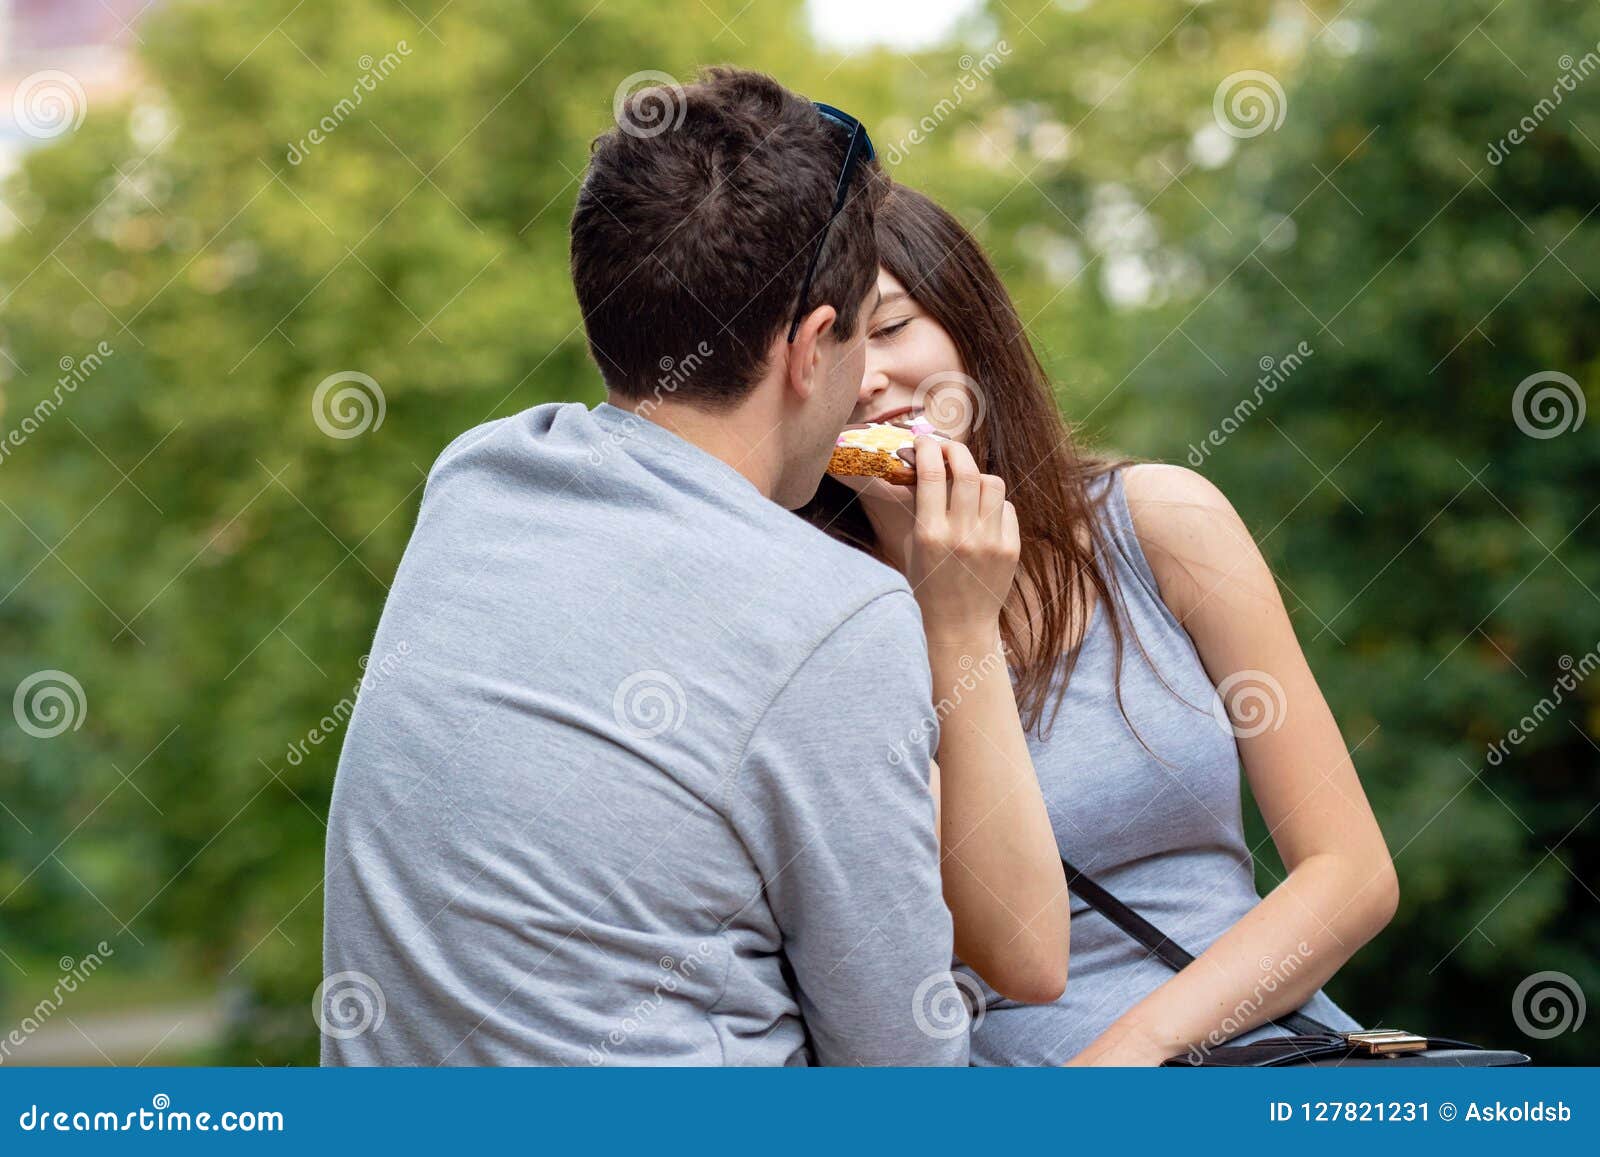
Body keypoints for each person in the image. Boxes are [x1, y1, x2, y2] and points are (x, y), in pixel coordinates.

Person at [320, 68, 1063, 1067]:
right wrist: (954, 621)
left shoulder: (475, 479)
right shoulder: (837, 616)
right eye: (861, 335)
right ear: (811, 350)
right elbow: (903, 1065)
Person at [800, 184, 1401, 1066]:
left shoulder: (1162, 524)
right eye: (833, 347)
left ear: (972, 329)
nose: (870, 374)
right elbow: (997, 937)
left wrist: (1136, 1049)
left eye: (890, 327)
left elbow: (1351, 873)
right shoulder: (819, 630)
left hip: (1265, 1066)